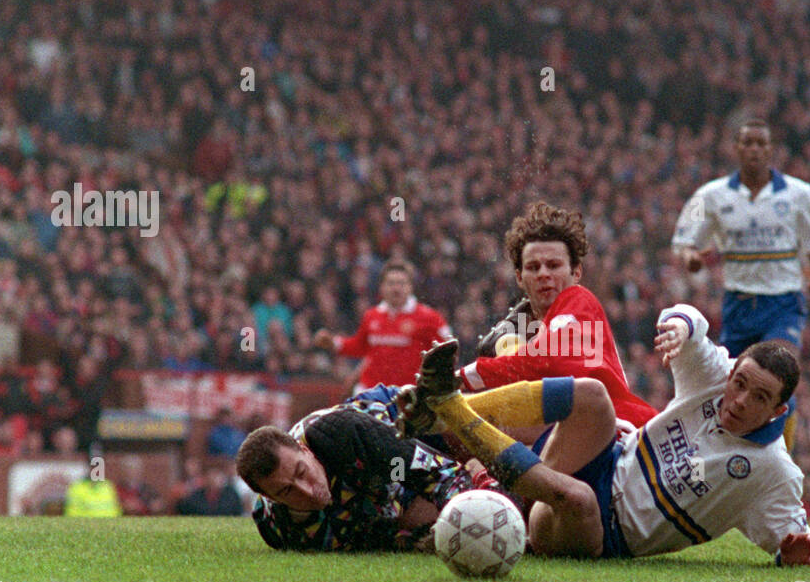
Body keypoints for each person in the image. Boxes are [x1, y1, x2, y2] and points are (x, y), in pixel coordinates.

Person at [398, 304, 810, 566]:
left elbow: (791, 538)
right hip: (608, 459)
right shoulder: (715, 376)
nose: (740, 400)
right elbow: (690, 318)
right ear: (733, 372)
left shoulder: (773, 471)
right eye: (741, 383)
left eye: (760, 397)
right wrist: (680, 325)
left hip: (603, 530)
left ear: (779, 410)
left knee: (579, 500)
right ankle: (439, 414)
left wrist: (790, 555)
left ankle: (450, 410)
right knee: (593, 395)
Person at [415, 201, 657, 436]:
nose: (543, 274)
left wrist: (461, 378)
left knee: (456, 420)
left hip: (623, 439)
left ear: (576, 272)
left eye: (553, 265)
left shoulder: (580, 301)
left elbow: (548, 361)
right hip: (568, 446)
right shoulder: (523, 328)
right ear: (519, 278)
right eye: (533, 267)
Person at [672, 119, 810, 450]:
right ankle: (720, 450)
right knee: (731, 382)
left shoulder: (799, 194)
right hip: (739, 303)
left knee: (781, 372)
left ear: (771, 150)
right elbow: (685, 238)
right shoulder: (713, 195)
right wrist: (691, 257)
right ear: (737, 149)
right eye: (748, 143)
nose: (755, 150)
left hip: (783, 302)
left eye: (762, 143)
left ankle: (781, 456)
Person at [234, 386, 499, 552]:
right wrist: (415, 538)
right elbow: (382, 536)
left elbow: (443, 476)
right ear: (270, 499)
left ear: (305, 451)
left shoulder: (344, 434)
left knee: (484, 431)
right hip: (388, 492)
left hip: (397, 428)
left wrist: (470, 518)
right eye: (287, 491)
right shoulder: (279, 530)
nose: (308, 491)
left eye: (301, 473)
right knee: (417, 519)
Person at [314, 260, 452, 396]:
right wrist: (333, 342)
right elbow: (360, 346)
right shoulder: (372, 315)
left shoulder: (429, 317)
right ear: (382, 287)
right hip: (371, 393)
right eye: (391, 283)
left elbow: (448, 350)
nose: (396, 288)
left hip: (408, 396)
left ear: (410, 287)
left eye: (401, 283)